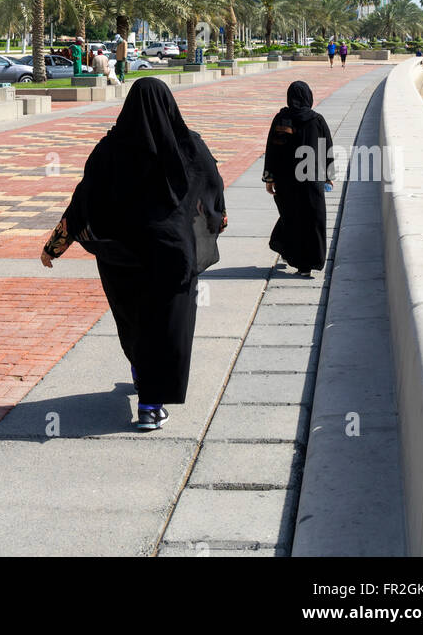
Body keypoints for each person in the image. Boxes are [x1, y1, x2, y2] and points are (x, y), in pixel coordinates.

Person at [41, 78, 227, 431]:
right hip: (172, 257)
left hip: (121, 257)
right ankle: (151, 405)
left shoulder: (109, 150)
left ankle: (143, 374)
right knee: (166, 327)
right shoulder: (189, 145)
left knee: (136, 322)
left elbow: (84, 201)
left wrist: (55, 246)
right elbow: (212, 185)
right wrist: (217, 220)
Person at [263, 81, 334, 278]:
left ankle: (293, 255)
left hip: (286, 181)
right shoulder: (317, 120)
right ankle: (308, 263)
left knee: (292, 217)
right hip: (312, 179)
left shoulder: (281, 119)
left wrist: (270, 177)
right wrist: (328, 177)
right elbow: (326, 148)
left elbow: (273, 150)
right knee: (313, 220)